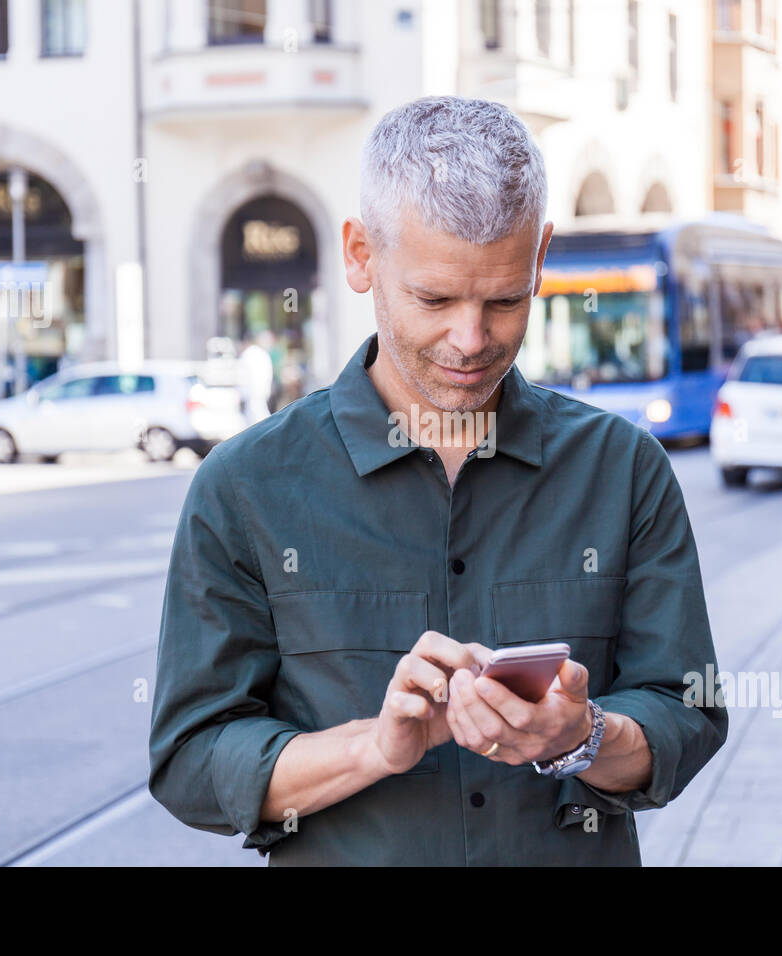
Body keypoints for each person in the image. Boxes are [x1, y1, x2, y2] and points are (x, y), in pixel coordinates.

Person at [149, 95, 727, 866]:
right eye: (434, 299)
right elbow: (189, 760)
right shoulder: (245, 487)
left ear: (540, 258)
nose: (471, 339)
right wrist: (375, 748)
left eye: (504, 300)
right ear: (360, 254)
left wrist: (584, 737)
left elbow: (687, 714)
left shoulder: (623, 469)